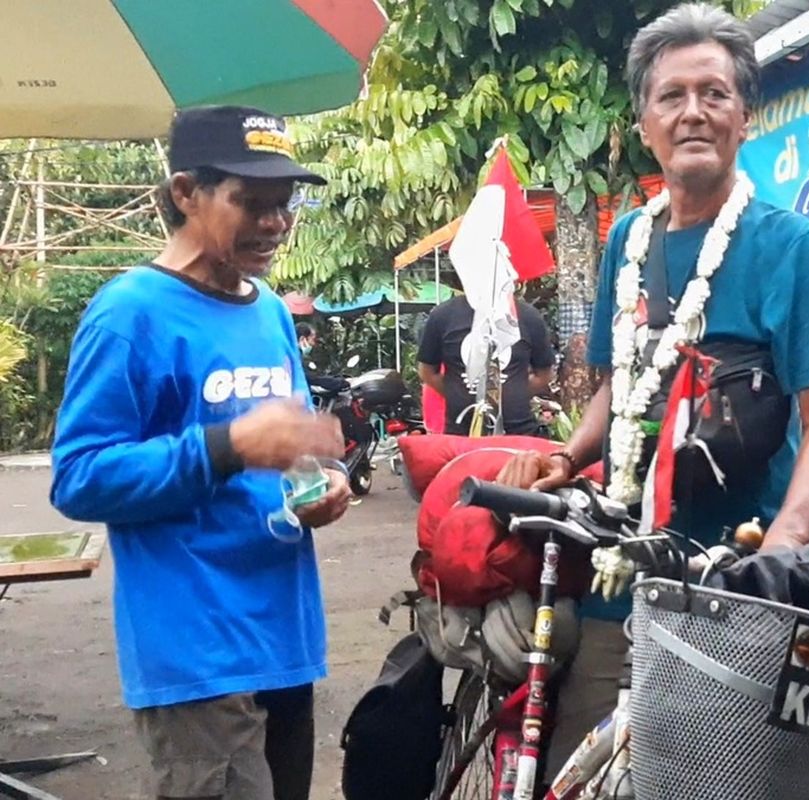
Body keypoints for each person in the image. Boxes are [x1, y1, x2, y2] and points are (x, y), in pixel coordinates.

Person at [496, 2, 809, 776]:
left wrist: (786, 542)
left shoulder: (791, 245)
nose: (695, 111)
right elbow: (615, 387)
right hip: (620, 563)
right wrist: (572, 454)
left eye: (715, 93)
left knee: (712, 775)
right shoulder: (628, 238)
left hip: (735, 577)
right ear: (645, 121)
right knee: (579, 759)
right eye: (673, 96)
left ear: (744, 117)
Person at [50, 106, 353, 800]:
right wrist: (227, 447)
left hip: (284, 639)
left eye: (286, 204)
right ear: (186, 192)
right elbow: (79, 476)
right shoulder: (130, 313)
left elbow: (292, 444)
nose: (276, 224)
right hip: (196, 652)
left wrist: (324, 481)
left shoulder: (270, 310)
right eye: (252, 203)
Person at [417, 293, 555, 435]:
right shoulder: (443, 315)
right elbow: (427, 372)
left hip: (519, 433)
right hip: (461, 434)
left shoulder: (528, 317)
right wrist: (456, 393)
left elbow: (543, 374)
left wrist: (513, 393)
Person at [294, 321, 349, 400]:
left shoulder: (292, 354)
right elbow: (312, 377)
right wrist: (339, 383)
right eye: (312, 339)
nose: (313, 344)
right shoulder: (296, 357)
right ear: (303, 339)